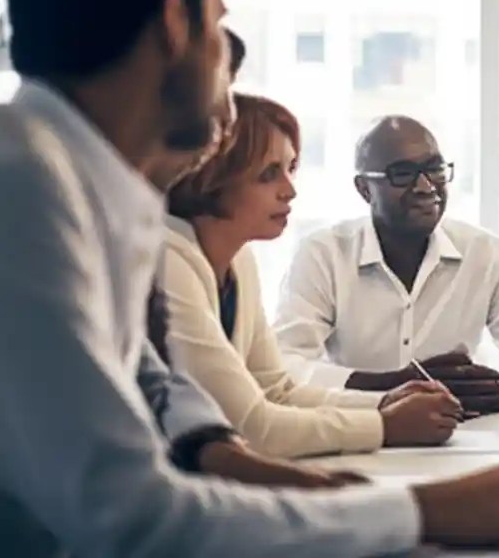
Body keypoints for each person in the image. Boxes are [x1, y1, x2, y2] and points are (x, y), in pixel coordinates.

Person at [0, 0, 499, 555]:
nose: (226, 63)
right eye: (217, 24)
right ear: (176, 22)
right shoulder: (23, 191)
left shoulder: (85, 186)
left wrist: (338, 496)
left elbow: (169, 400)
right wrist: (418, 512)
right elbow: (130, 516)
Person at [162, 92, 462, 458]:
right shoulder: (167, 263)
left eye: (290, 169)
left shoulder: (240, 261)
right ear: (212, 175)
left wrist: (386, 402)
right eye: (268, 174)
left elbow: (277, 392)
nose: (289, 191)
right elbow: (253, 429)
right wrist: (386, 426)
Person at [274, 115, 499, 413]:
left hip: (462, 437)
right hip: (357, 430)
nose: (426, 186)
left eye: (435, 170)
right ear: (364, 189)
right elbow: (286, 365)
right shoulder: (323, 255)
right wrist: (397, 384)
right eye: (402, 174)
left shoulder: (485, 253)